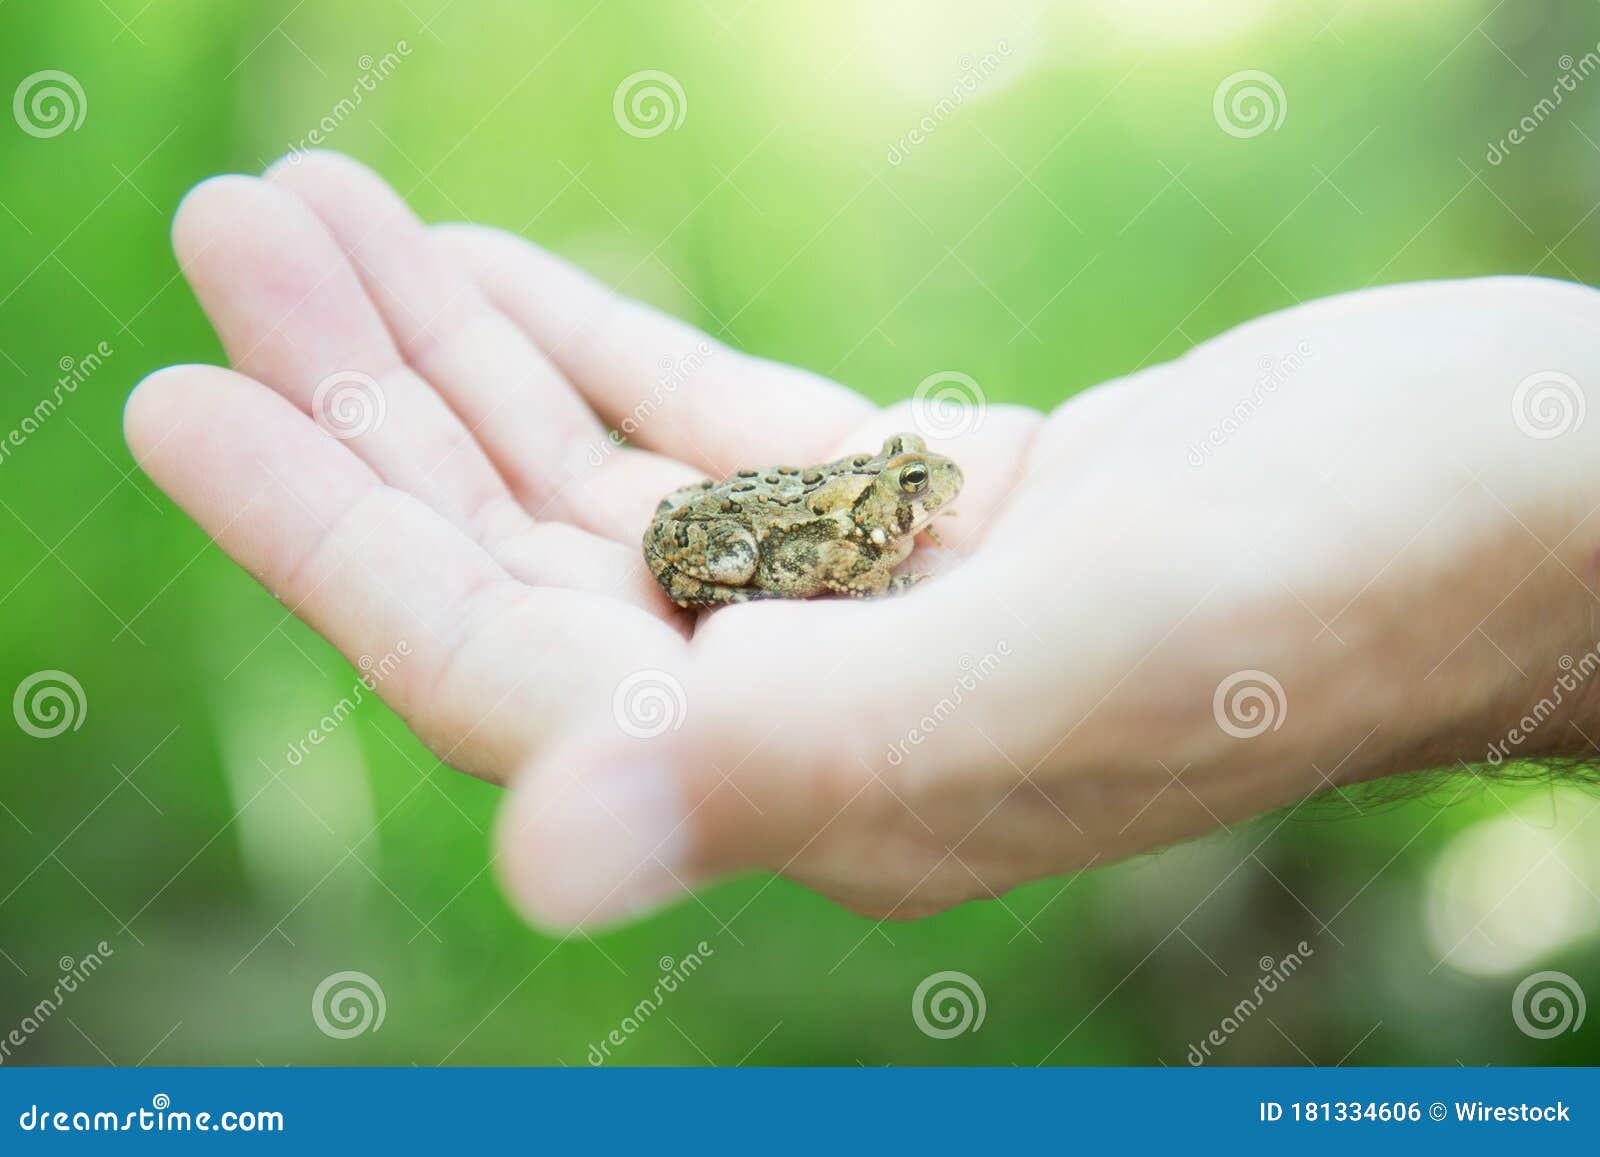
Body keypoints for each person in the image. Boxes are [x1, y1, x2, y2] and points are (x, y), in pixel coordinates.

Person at [124, 151, 1600, 931]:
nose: (919, 507)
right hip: (717, 542)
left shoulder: (877, 504)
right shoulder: (847, 529)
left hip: (732, 524)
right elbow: (805, 548)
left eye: (912, 489)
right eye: (906, 491)